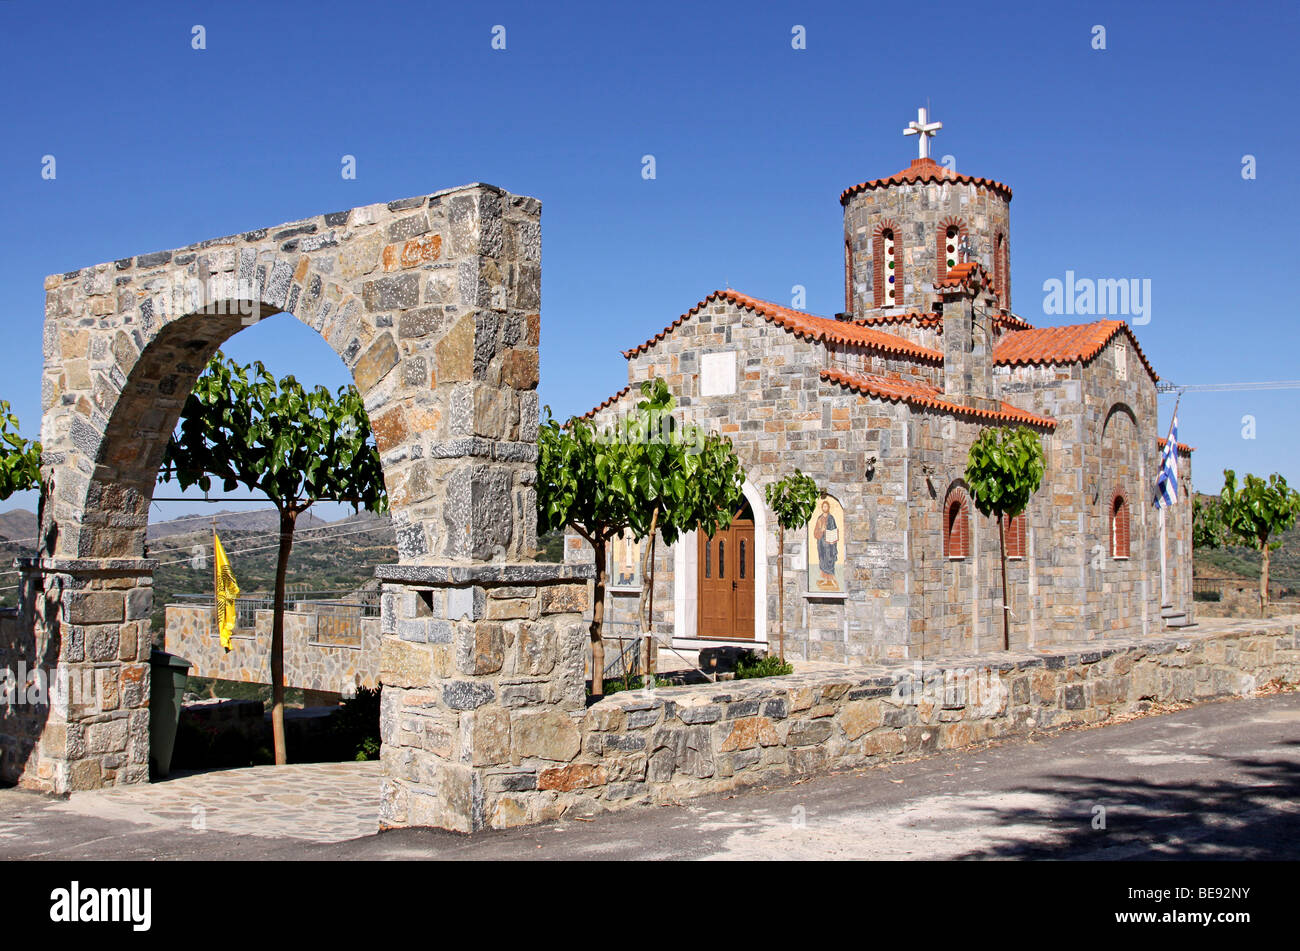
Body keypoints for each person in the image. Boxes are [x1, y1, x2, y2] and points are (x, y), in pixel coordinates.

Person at [812, 500, 839, 589]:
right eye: (823, 507)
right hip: (821, 544)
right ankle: (825, 580)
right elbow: (815, 532)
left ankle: (832, 580)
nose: (825, 508)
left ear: (828, 508)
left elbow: (834, 530)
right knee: (823, 561)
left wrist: (833, 535)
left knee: (830, 560)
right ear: (822, 508)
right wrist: (821, 530)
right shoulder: (819, 518)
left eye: (826, 507)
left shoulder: (831, 518)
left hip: (830, 545)